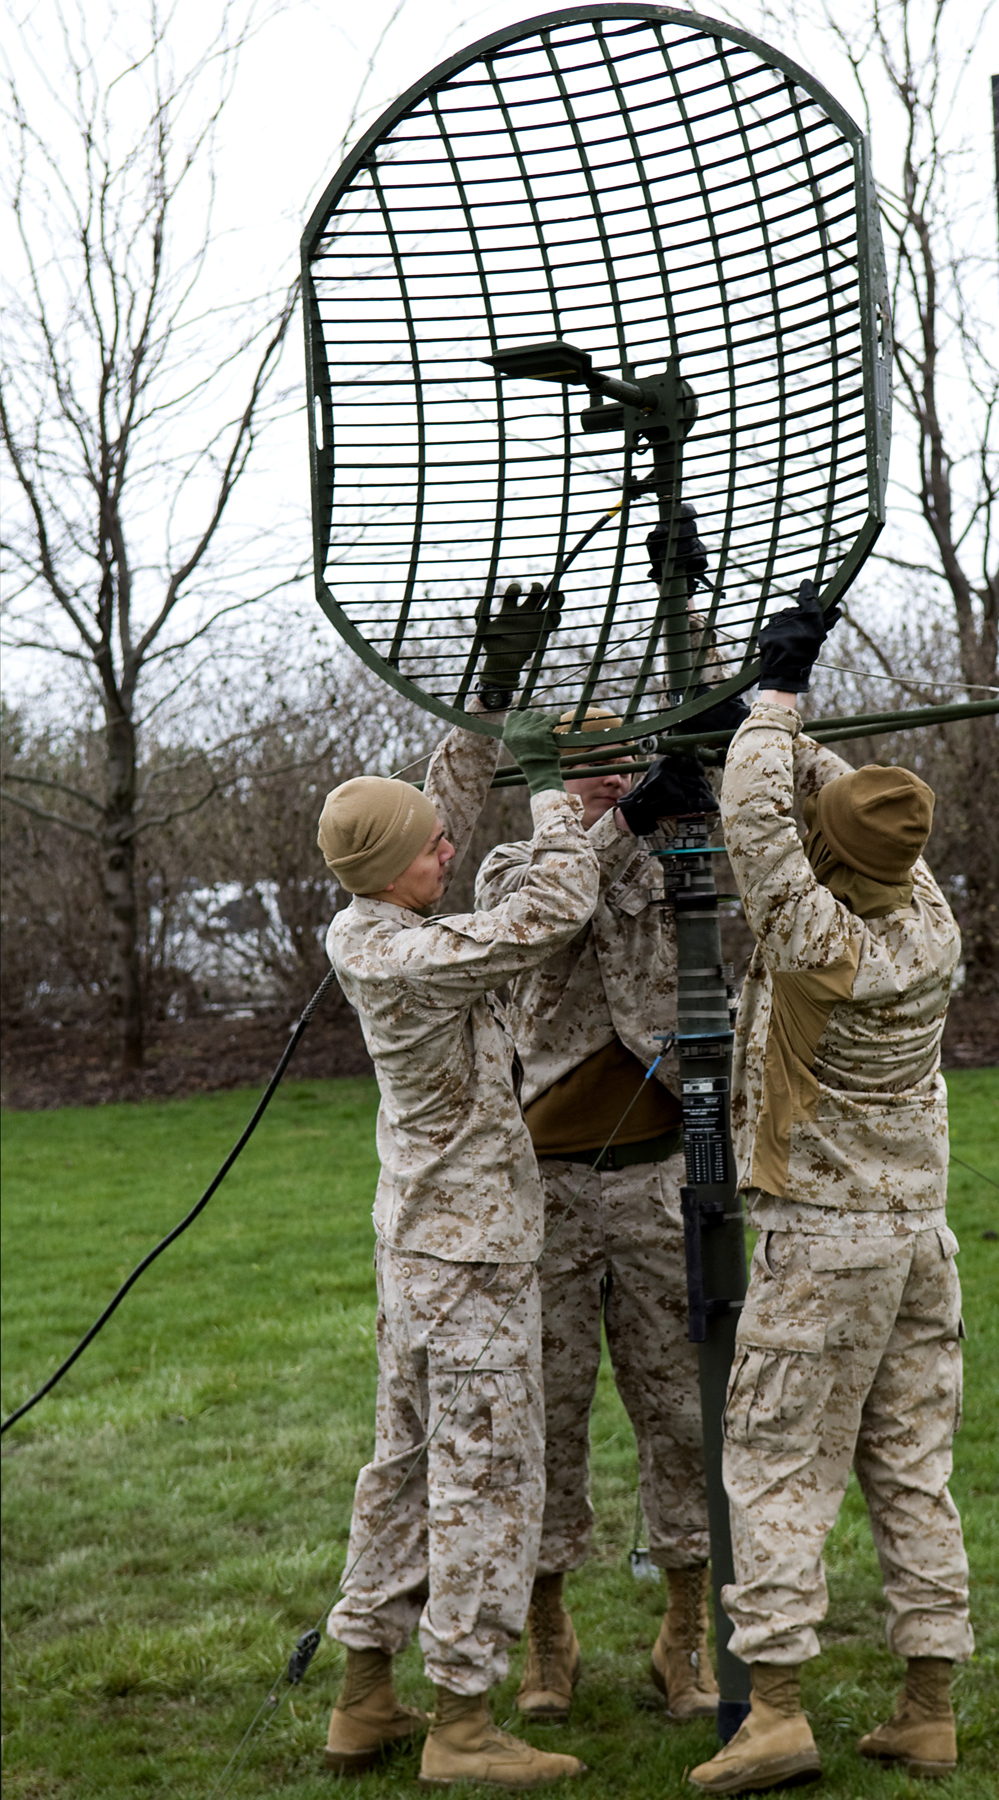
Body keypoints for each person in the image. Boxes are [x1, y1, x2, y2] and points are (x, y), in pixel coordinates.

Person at [317, 583, 600, 1790]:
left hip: (416, 1255)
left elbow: (436, 819)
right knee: (484, 1476)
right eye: (434, 847)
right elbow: (555, 904)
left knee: (405, 1465)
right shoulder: (414, 958)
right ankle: (465, 1724)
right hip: (471, 1263)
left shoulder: (369, 923)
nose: (451, 851)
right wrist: (552, 787)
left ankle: (363, 1699)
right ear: (392, 870)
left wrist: (487, 705)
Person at [689, 592, 971, 1794]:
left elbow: (759, 825)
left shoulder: (814, 937)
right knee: (911, 1464)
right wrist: (801, 738)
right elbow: (860, 816)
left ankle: (779, 1709)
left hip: (822, 1249)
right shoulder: (930, 922)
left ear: (828, 863)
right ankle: (928, 1704)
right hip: (920, 1243)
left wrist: (773, 701)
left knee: (775, 1465)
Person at [475, 711, 724, 1725]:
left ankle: (684, 1635)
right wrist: (619, 826)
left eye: (624, 767)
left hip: (661, 1179)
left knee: (679, 1411)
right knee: (548, 1413)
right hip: (554, 1190)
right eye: (586, 773)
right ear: (549, 784)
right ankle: (549, 1640)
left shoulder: (682, 853)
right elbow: (551, 913)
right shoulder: (510, 872)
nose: (609, 784)